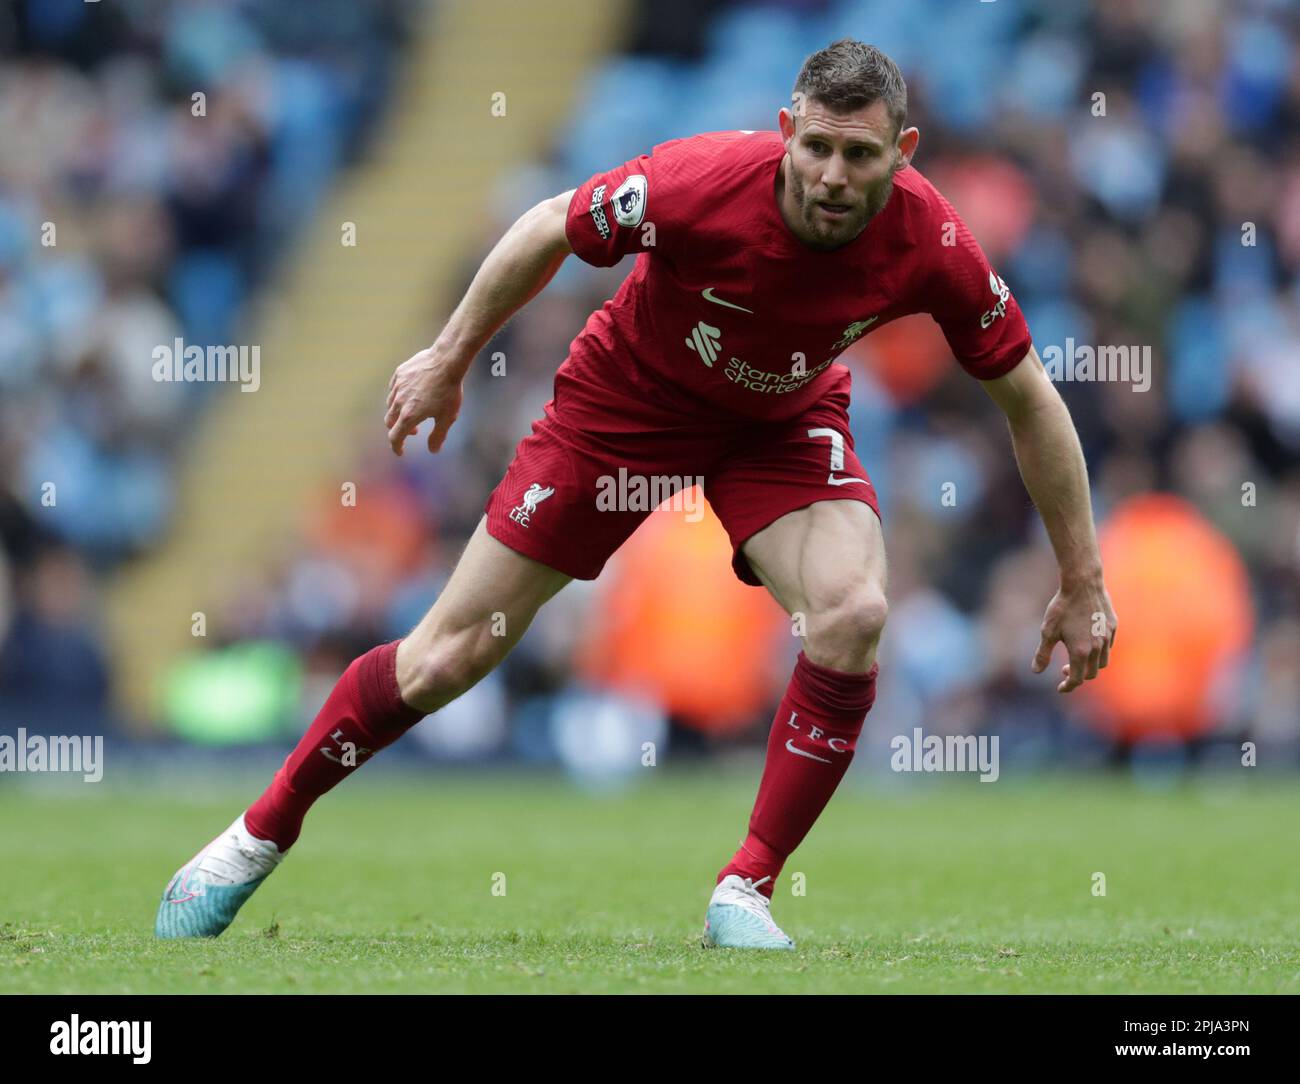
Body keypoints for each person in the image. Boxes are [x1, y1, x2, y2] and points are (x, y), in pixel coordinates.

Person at [155, 39, 1117, 949]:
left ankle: (744, 888)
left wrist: (1080, 577)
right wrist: (451, 359)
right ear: (786, 129)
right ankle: (256, 835)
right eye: (815, 147)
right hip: (625, 409)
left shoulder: (933, 239)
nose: (831, 176)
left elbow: (1029, 400)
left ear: (901, 152)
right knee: (446, 659)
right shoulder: (702, 181)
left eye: (858, 156)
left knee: (854, 611)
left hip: (777, 424)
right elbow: (547, 225)